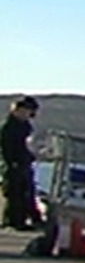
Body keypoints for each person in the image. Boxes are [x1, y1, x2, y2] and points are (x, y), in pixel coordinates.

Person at [2, 96, 41, 230]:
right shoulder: (9, 128)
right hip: (14, 163)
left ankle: (28, 218)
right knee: (16, 193)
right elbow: (7, 147)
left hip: (24, 162)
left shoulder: (25, 127)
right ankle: (16, 220)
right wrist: (11, 162)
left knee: (27, 191)